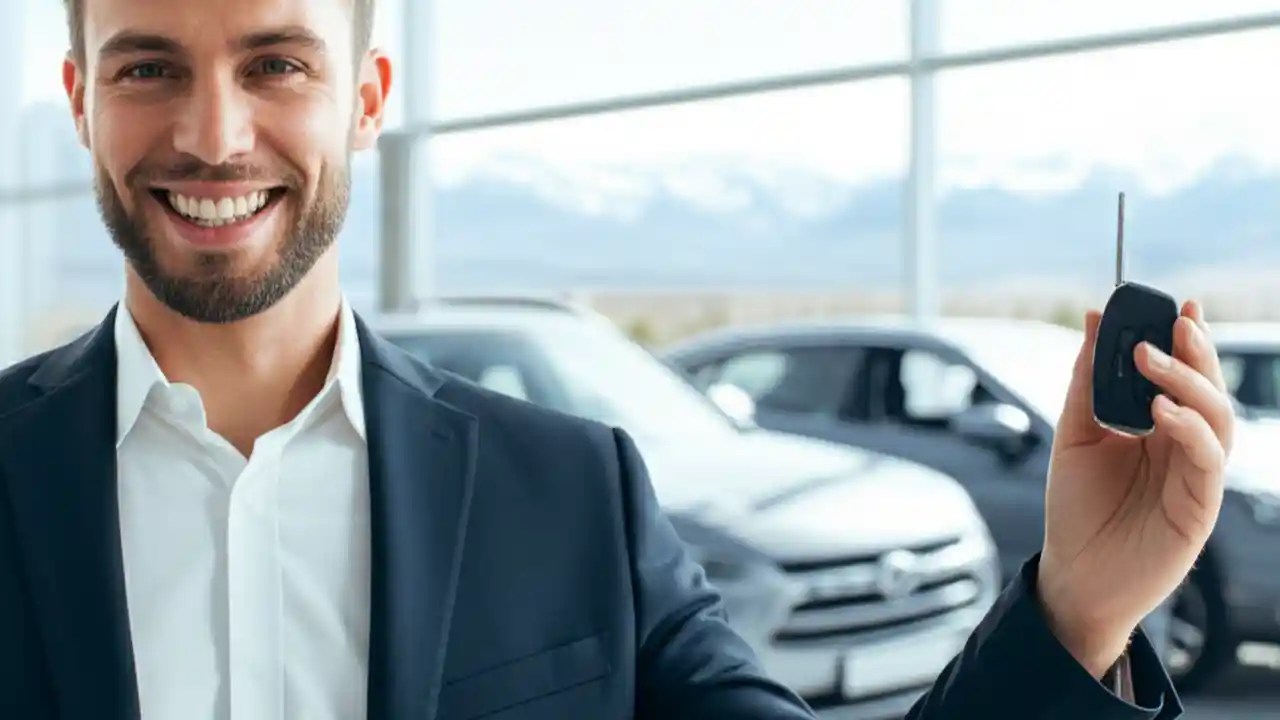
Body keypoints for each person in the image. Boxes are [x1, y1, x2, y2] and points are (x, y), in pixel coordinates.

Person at [0, 0, 1234, 718]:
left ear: (367, 98)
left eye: (275, 63)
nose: (213, 135)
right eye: (149, 67)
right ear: (78, 99)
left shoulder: (569, 494)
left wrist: (1079, 611)